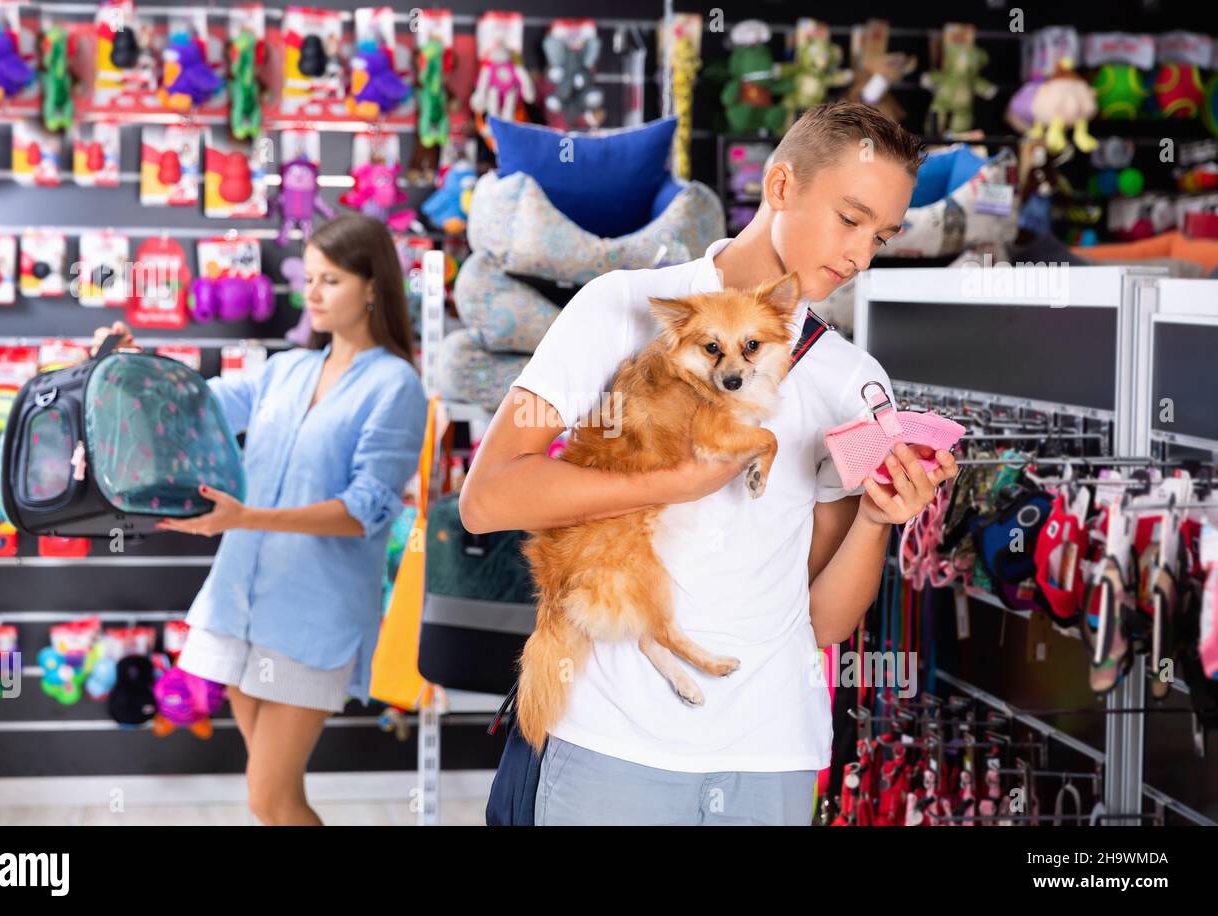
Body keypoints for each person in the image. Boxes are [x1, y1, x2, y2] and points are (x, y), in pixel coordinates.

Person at [460, 101, 960, 826]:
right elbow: (489, 497)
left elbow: (817, 622)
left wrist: (878, 522)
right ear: (780, 186)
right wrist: (682, 482)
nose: (860, 255)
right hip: (609, 744)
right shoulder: (620, 309)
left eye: (880, 235)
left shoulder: (854, 381)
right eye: (849, 220)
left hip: (771, 756)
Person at [92, 213, 426, 826]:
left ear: (373, 286)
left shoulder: (395, 385)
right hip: (240, 602)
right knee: (274, 802)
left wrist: (246, 517)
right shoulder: (286, 369)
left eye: (331, 280)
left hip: (313, 617)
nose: (313, 294)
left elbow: (366, 511)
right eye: (312, 279)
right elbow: (196, 403)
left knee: (270, 799)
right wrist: (135, 363)